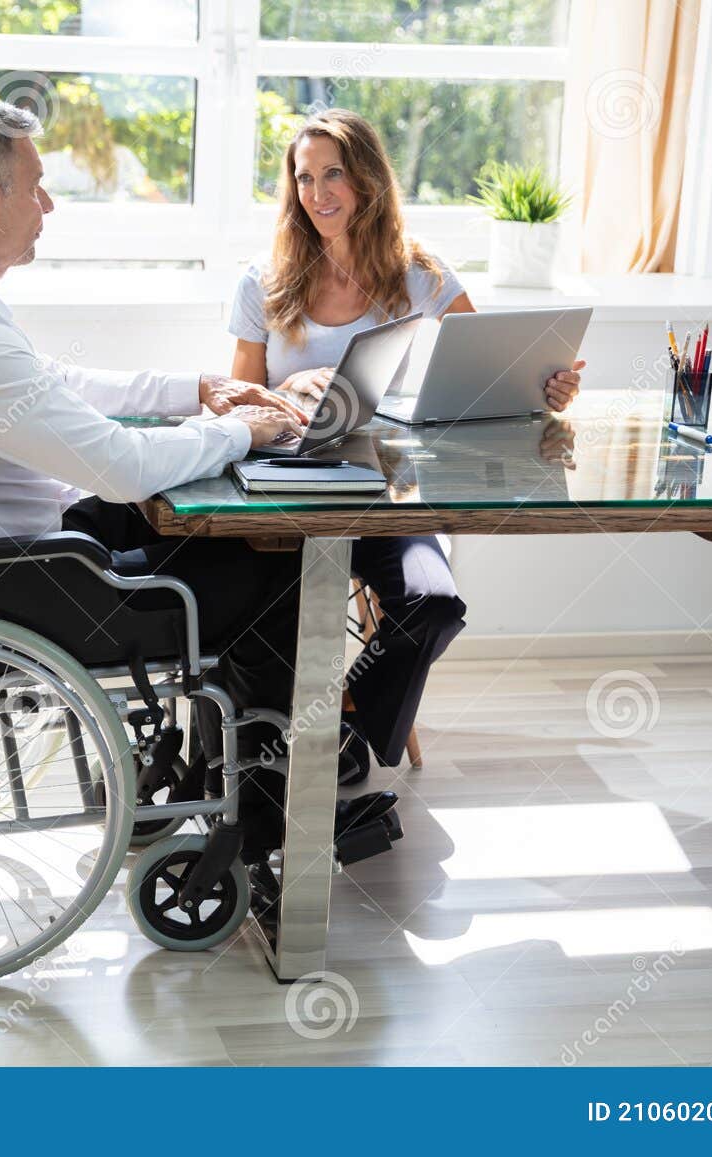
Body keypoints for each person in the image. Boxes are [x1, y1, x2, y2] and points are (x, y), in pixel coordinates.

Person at [0, 100, 387, 874]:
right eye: (36, 185)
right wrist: (244, 432)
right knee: (285, 572)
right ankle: (268, 817)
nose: (49, 203)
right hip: (24, 587)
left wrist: (198, 390)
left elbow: (53, 384)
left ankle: (203, 770)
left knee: (177, 529)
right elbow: (122, 465)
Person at [229, 108, 585, 784]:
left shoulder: (419, 274)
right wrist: (291, 393)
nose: (318, 192)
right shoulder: (264, 280)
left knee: (434, 604)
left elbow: (495, 372)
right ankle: (291, 754)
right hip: (292, 498)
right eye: (304, 178)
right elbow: (235, 399)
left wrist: (550, 387)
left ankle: (346, 721)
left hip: (389, 494)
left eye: (333, 173)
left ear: (367, 178)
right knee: (263, 616)